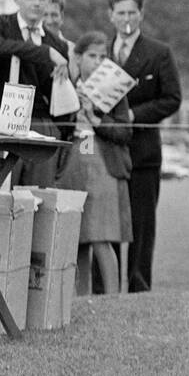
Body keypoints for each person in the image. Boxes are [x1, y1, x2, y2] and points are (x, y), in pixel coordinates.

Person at [106, 0, 182, 293]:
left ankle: (138, 287)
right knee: (107, 222)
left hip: (144, 152)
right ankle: (105, 288)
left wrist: (135, 115)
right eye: (120, 12)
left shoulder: (159, 53)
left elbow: (172, 98)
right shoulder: (101, 51)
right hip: (107, 150)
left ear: (141, 16)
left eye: (132, 13)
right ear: (111, 15)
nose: (126, 18)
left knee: (141, 225)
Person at [0, 0, 75, 187]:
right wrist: (44, 53)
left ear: (49, 0)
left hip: (40, 125)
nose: (37, 3)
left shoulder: (56, 44)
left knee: (36, 199)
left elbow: (58, 96)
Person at [57, 32, 132, 294]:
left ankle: (112, 297)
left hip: (102, 160)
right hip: (74, 158)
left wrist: (96, 117)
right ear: (78, 57)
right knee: (79, 235)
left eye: (103, 57)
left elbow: (125, 132)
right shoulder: (66, 84)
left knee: (101, 234)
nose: (98, 62)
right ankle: (79, 296)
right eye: (92, 56)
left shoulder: (115, 89)